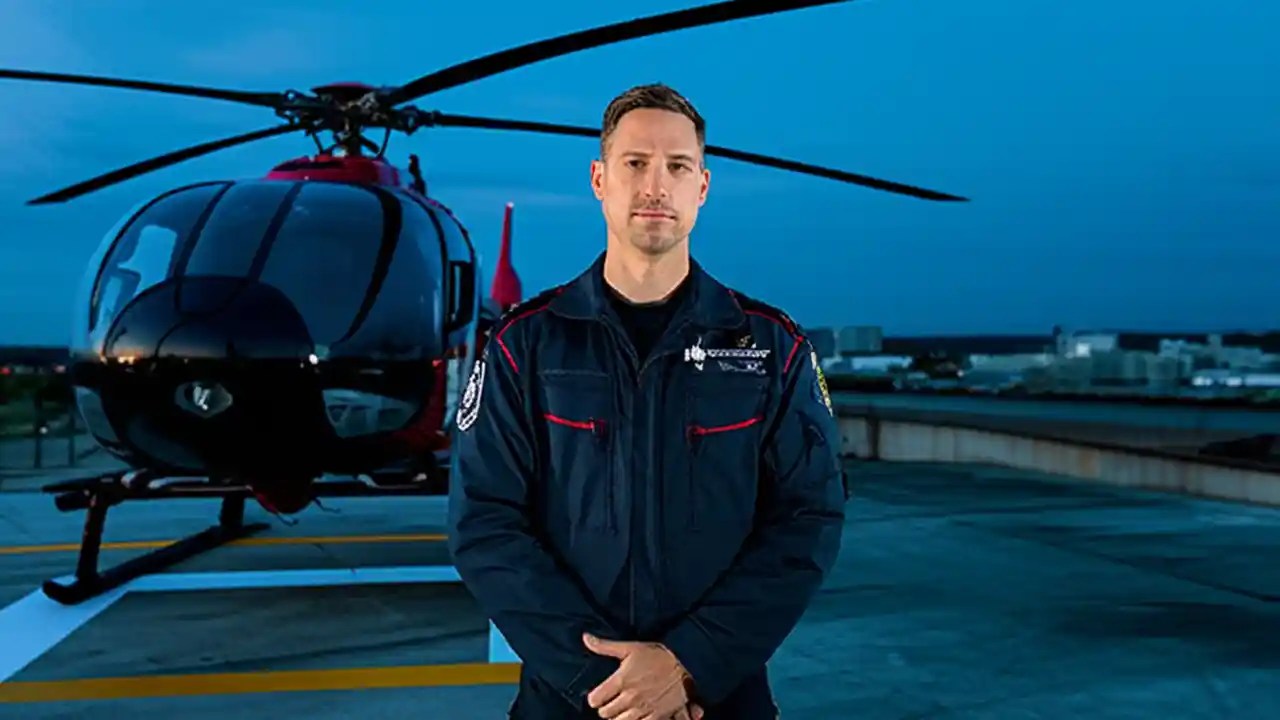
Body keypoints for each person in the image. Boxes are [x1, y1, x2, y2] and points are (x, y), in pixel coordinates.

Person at [448, 83, 847, 719]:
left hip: (716, 699)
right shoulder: (526, 345)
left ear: (703, 187)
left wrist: (691, 662)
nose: (656, 185)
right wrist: (609, 685)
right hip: (570, 703)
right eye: (635, 164)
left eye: (677, 166)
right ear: (600, 179)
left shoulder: (770, 347)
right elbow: (485, 522)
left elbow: (808, 517)